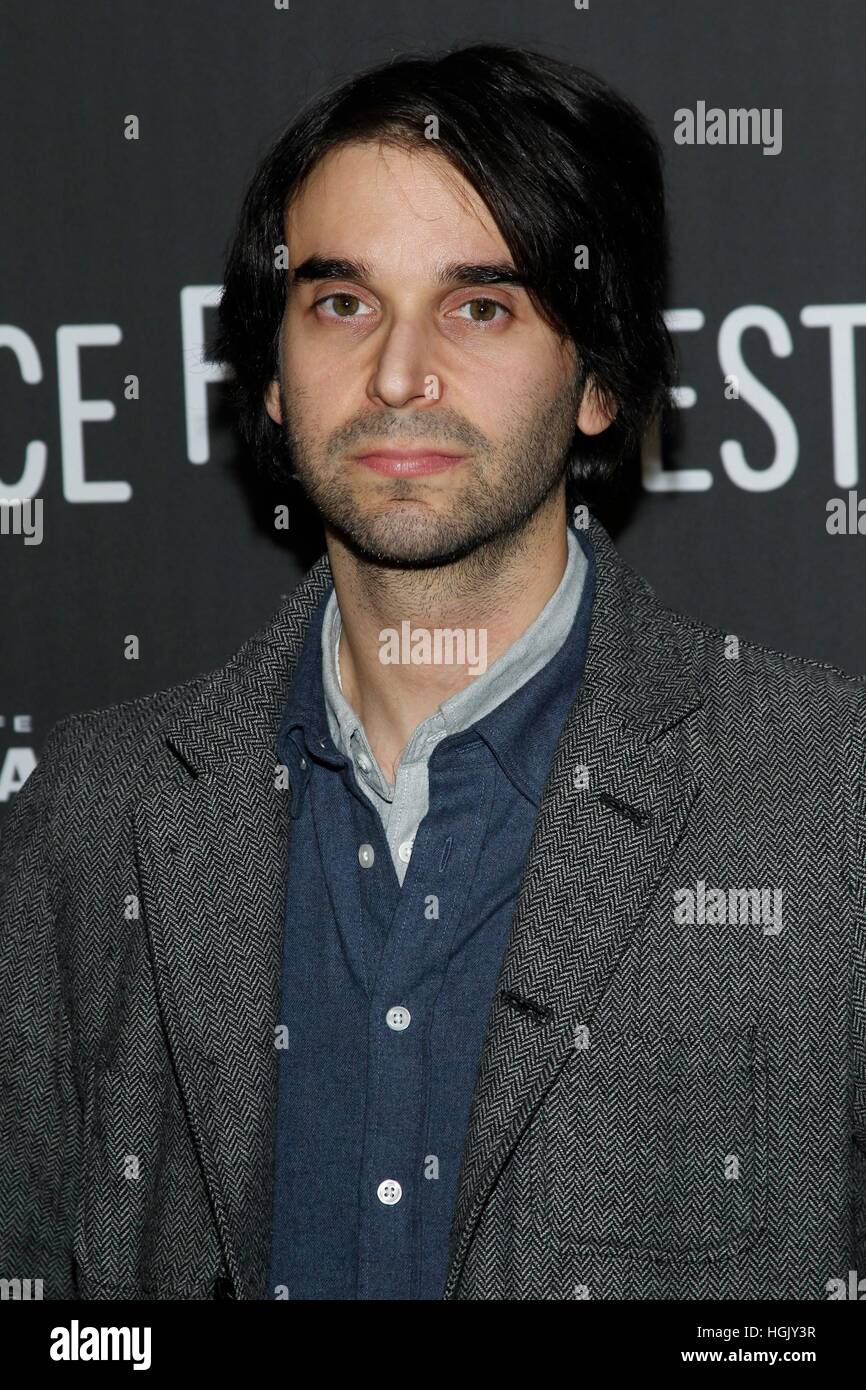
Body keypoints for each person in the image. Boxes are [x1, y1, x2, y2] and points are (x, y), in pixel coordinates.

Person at [2, 42, 865, 1302]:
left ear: (599, 379)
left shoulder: (827, 803)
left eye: (480, 306)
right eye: (342, 303)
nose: (400, 377)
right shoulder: (82, 826)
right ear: (274, 380)